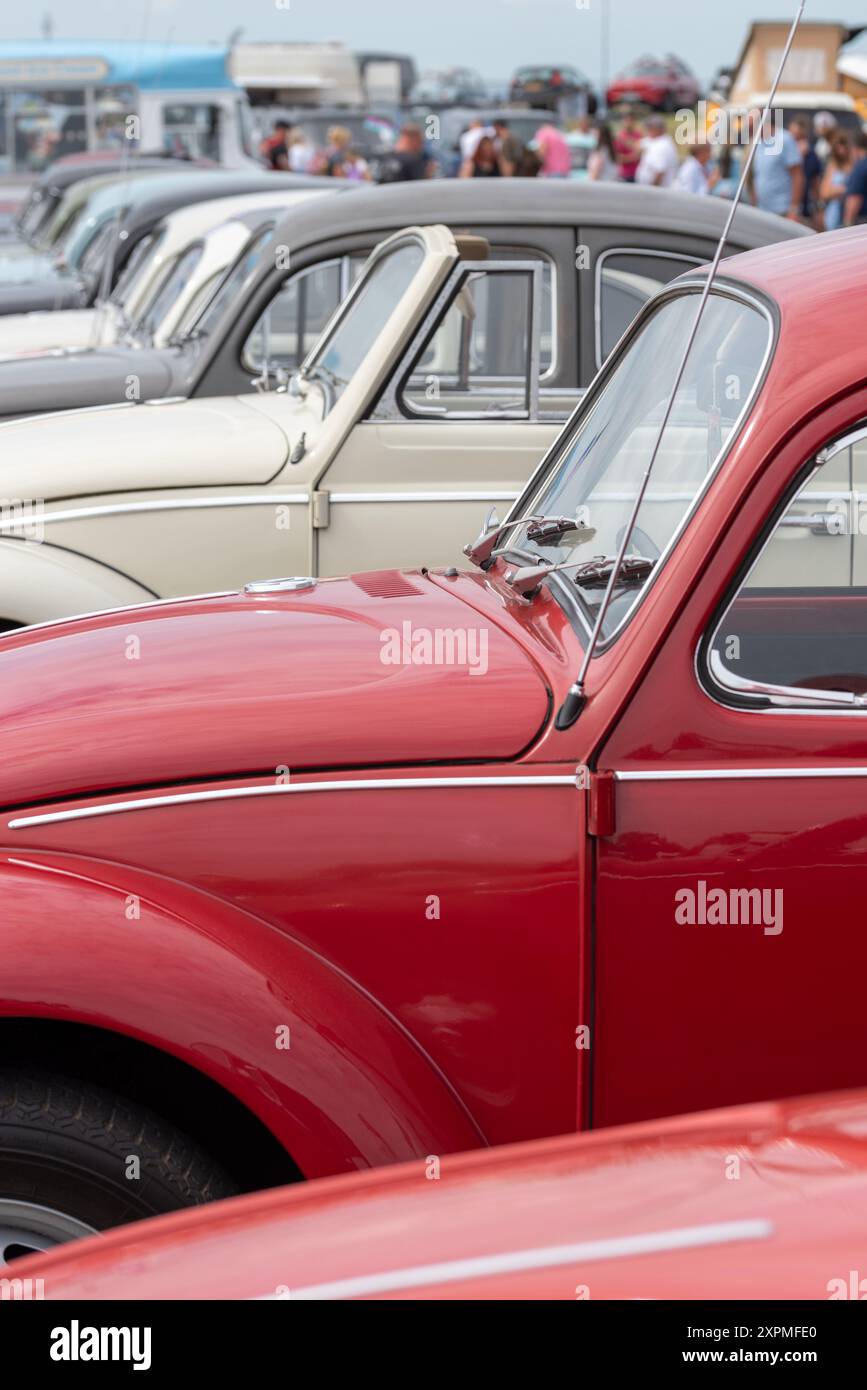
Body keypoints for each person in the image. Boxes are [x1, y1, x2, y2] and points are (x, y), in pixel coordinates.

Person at [750, 113, 803, 219]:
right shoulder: (759, 142)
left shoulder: (785, 139)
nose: (750, 131)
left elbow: (797, 175)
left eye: (752, 127)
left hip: (782, 211)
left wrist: (794, 208)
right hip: (762, 210)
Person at [789, 117, 822, 225]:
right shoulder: (784, 154)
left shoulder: (811, 155)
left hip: (803, 210)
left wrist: (818, 209)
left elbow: (815, 183)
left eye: (799, 138)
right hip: (785, 208)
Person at [820, 129, 854, 231]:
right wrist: (844, 189)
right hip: (833, 215)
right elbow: (824, 193)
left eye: (843, 145)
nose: (841, 150)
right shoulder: (832, 166)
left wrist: (836, 190)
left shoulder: (856, 164)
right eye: (838, 147)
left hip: (852, 213)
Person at [635, 114, 679, 188]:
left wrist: (651, 191)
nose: (648, 130)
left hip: (656, 192)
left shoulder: (662, 146)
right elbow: (638, 144)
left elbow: (659, 172)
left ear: (658, 129)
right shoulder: (657, 141)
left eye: (650, 127)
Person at [844, 129, 867, 226]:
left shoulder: (860, 167)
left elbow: (855, 199)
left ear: (854, 148)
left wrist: (847, 224)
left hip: (861, 222)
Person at [613, 110, 642, 182]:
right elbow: (617, 158)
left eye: (631, 120)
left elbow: (641, 154)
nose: (629, 123)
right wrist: (633, 157)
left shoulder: (638, 135)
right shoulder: (618, 137)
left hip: (637, 174)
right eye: (627, 120)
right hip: (623, 174)